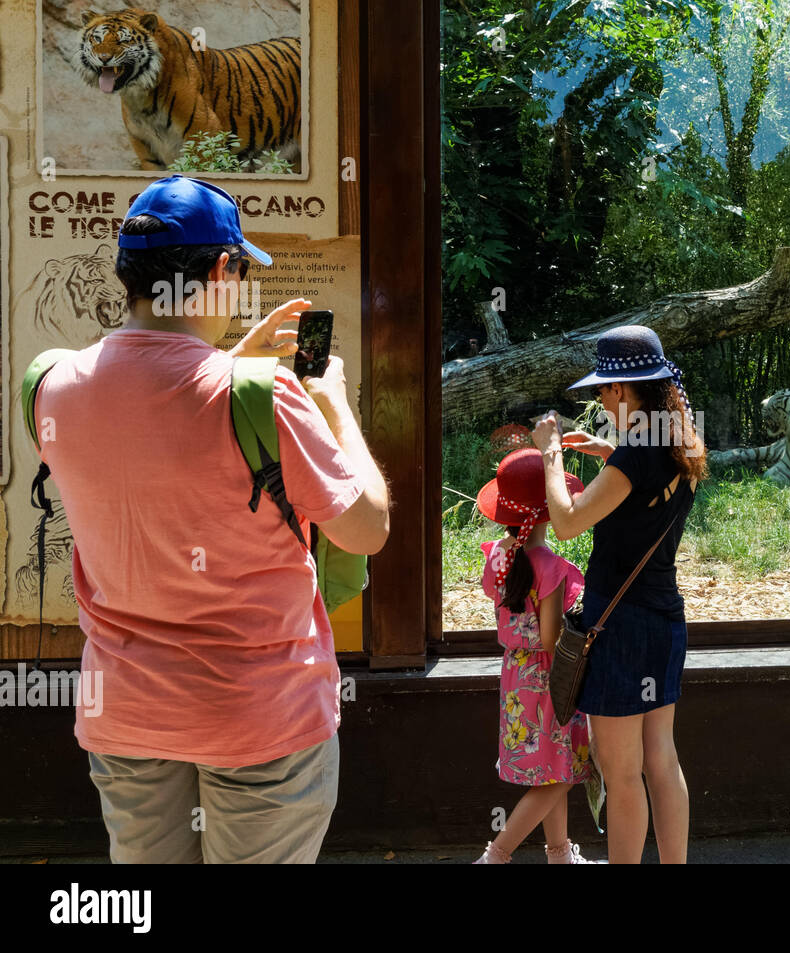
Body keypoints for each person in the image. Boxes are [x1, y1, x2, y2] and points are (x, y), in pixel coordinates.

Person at [32, 174, 390, 863]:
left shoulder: (53, 386)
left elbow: (153, 422)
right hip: (261, 717)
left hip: (127, 714)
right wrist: (334, 402)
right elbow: (366, 527)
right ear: (223, 268)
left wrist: (227, 362)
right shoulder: (267, 394)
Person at [531, 325, 707, 864]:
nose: (600, 399)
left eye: (604, 390)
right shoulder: (681, 445)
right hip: (665, 620)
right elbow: (648, 486)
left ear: (623, 391)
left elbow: (565, 522)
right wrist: (609, 450)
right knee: (662, 760)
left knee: (620, 772)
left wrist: (550, 454)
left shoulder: (632, 458)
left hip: (618, 625)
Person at [472, 448, 599, 864]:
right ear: (549, 511)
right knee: (565, 771)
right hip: (551, 680)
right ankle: (497, 854)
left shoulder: (498, 557)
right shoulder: (553, 567)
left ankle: (559, 853)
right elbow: (551, 640)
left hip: (515, 676)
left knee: (551, 767)